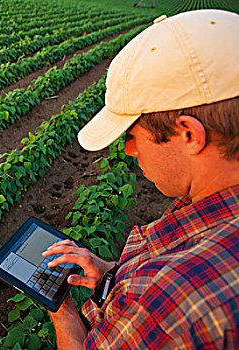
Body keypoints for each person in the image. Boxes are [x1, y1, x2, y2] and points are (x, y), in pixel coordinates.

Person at [42, 9, 239, 350]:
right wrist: (112, 276)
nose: (130, 150)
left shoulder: (169, 301)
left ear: (189, 134)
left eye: (133, 134)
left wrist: (60, 309)